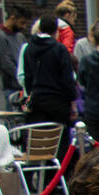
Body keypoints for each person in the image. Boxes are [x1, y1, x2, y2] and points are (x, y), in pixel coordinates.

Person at [22, 11, 77, 166]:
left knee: (38, 140)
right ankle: (57, 177)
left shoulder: (29, 48)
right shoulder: (59, 49)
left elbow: (28, 77)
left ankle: (36, 174)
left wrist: (30, 94)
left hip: (37, 100)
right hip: (58, 102)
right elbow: (67, 78)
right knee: (59, 141)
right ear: (56, 30)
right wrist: (72, 102)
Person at [0, 5, 29, 107]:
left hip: (23, 86)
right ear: (12, 18)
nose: (24, 27)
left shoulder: (20, 36)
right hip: (12, 87)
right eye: (22, 23)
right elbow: (6, 63)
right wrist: (22, 80)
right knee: (13, 119)